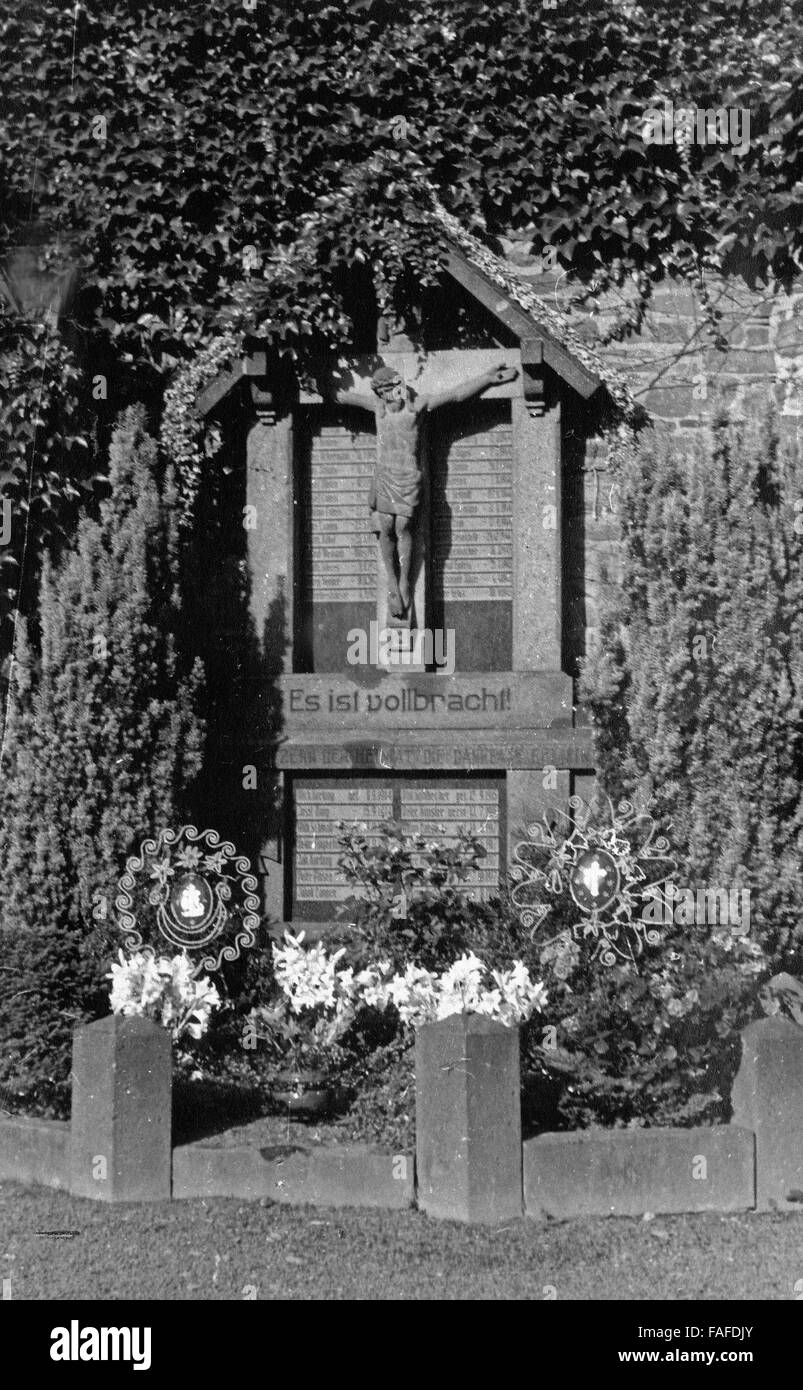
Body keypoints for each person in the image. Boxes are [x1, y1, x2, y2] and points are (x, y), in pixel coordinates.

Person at [331, 361, 518, 618]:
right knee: (385, 528)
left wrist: (488, 378)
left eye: (400, 384)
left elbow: (454, 395)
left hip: (407, 478)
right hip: (385, 477)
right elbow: (343, 396)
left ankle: (405, 580)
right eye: (393, 387)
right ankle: (392, 582)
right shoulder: (378, 409)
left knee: (402, 528)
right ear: (383, 392)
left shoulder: (416, 408)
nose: (400, 390)